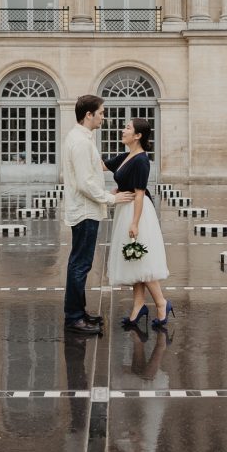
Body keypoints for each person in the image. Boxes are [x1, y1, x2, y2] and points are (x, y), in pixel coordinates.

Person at [63, 95, 133, 335]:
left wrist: (105, 192)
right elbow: (85, 183)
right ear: (88, 115)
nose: (104, 117)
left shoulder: (81, 138)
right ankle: (74, 318)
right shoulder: (81, 142)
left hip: (85, 208)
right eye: (101, 113)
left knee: (80, 263)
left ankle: (79, 313)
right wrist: (111, 198)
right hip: (85, 211)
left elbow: (89, 176)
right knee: (80, 264)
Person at [104, 119, 173, 329]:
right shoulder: (125, 157)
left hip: (138, 213)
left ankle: (161, 303)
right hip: (125, 209)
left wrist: (134, 223)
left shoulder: (142, 160)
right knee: (134, 259)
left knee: (141, 259)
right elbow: (100, 165)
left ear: (138, 136)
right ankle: (138, 306)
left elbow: (140, 194)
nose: (122, 130)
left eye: (127, 128)